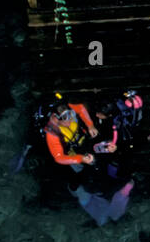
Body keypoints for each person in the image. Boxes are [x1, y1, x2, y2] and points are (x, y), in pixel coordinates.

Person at [38, 96, 135, 225]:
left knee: (102, 166)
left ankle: (109, 196)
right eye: (66, 118)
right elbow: (59, 157)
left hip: (84, 145)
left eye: (70, 115)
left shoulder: (68, 108)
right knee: (78, 187)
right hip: (72, 157)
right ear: (55, 118)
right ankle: (97, 212)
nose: (70, 119)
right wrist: (81, 159)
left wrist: (90, 125)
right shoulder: (52, 133)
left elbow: (81, 109)